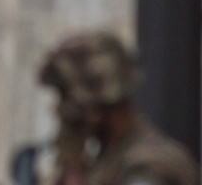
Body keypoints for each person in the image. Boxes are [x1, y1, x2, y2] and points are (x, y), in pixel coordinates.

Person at [40, 32, 199, 185]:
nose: (59, 111)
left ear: (97, 107)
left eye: (66, 98)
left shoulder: (152, 166)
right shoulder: (106, 162)